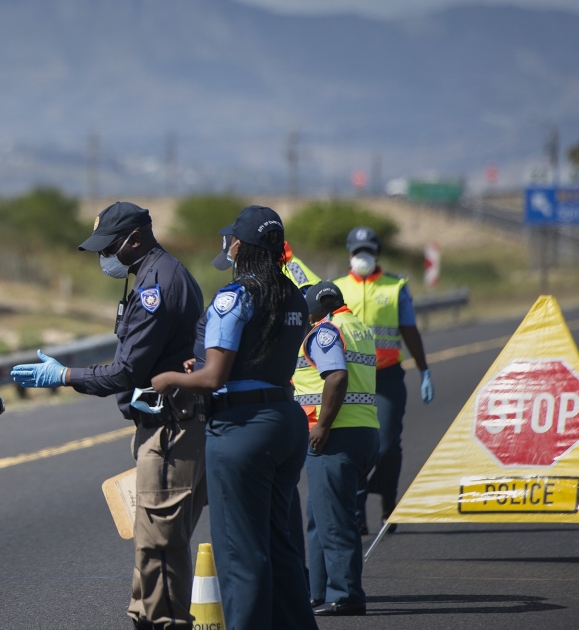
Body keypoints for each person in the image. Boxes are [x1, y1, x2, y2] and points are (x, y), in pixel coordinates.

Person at [10, 201, 206, 630]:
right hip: (162, 426)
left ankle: (163, 622)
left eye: (108, 248)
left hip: (173, 430)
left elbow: (126, 371)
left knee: (161, 542)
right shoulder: (152, 275)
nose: (104, 258)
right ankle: (146, 615)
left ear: (134, 239)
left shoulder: (158, 284)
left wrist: (65, 374)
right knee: (152, 538)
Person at [151, 205, 317, 630]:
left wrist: (168, 377)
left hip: (242, 430)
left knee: (241, 552)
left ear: (240, 246)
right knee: (281, 545)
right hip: (285, 419)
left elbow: (215, 376)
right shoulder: (293, 294)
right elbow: (260, 359)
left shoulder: (235, 295)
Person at [333, 227, 432, 534]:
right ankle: (357, 510)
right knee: (357, 445)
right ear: (349, 254)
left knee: (387, 444)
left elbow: (409, 329)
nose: (363, 256)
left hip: (386, 377)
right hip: (350, 380)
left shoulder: (395, 287)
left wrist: (424, 369)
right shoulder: (335, 288)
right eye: (357, 250)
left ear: (377, 254)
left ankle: (388, 503)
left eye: (369, 250)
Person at [292, 282, 379, 616]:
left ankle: (346, 596)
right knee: (320, 513)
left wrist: (323, 425)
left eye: (307, 307)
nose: (304, 314)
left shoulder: (326, 331)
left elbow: (337, 377)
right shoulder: (359, 327)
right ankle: (317, 591)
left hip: (335, 436)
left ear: (322, 305)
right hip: (364, 431)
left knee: (335, 521)